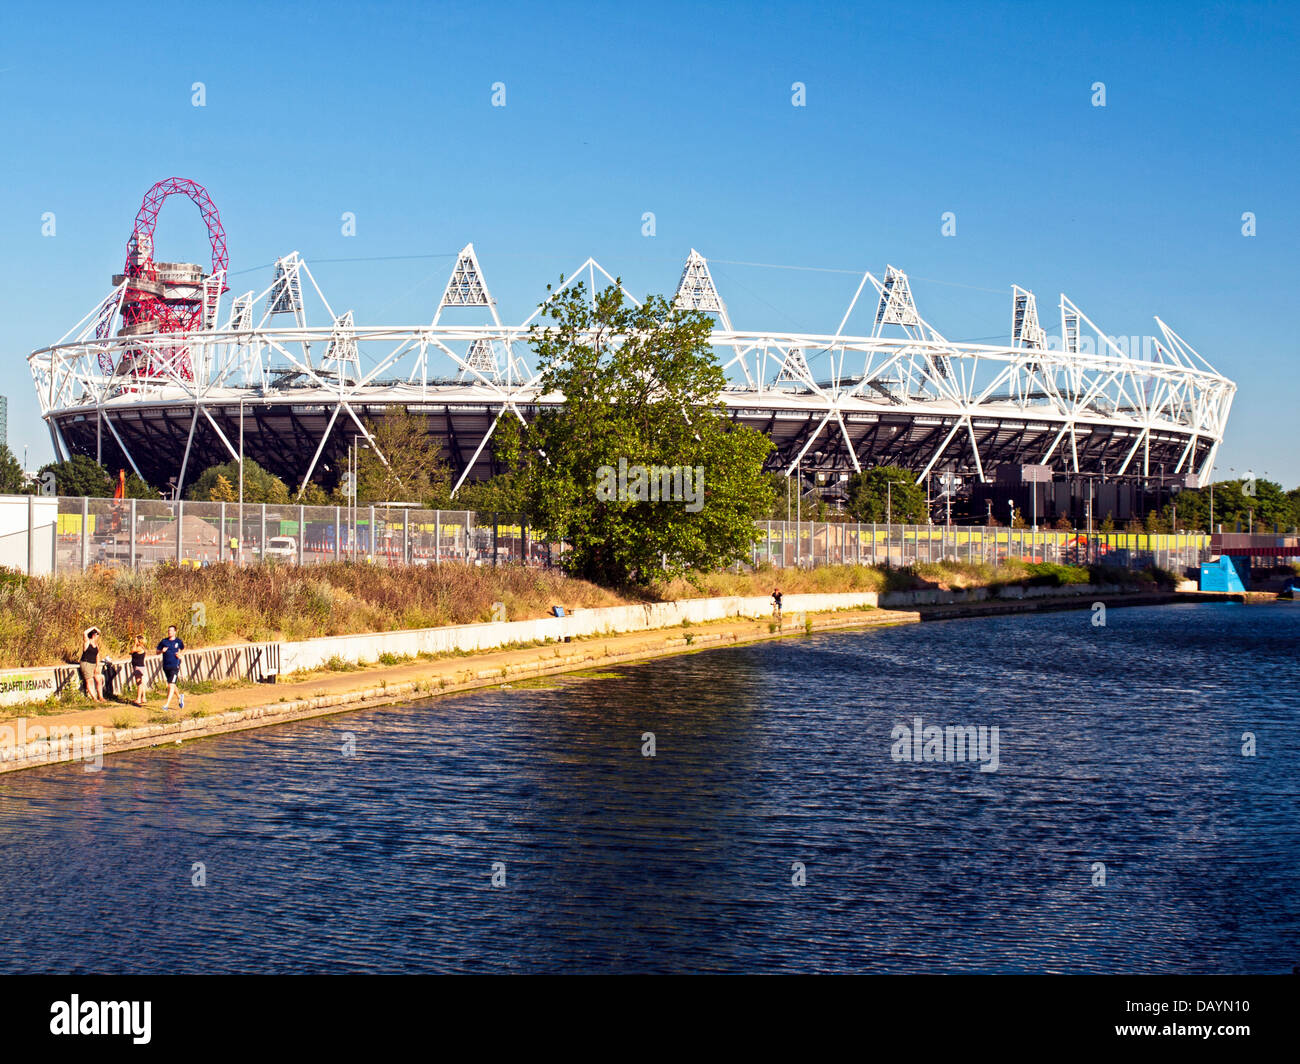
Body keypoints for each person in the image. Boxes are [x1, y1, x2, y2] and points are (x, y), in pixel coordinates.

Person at [157, 625, 185, 711]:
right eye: (169, 631)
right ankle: (179, 697)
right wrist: (162, 651)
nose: (169, 632)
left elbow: (183, 649)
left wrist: (181, 655)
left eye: (171, 631)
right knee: (172, 684)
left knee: (170, 685)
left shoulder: (178, 641)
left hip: (175, 666)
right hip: (166, 666)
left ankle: (166, 705)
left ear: (175, 632)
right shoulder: (164, 641)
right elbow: (157, 652)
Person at [79, 627, 104, 702]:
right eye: (97, 635)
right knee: (89, 681)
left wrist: (97, 666)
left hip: (93, 664)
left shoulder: (96, 644)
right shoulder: (87, 642)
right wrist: (93, 627)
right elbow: (84, 633)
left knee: (99, 679)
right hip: (86, 663)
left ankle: (101, 697)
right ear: (93, 635)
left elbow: (97, 656)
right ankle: (94, 698)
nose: (98, 636)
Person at [129, 635, 148, 707]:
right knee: (141, 682)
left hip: (138, 666)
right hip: (140, 666)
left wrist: (135, 643)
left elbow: (133, 650)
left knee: (139, 682)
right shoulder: (141, 648)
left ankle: (138, 698)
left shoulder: (139, 648)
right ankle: (143, 697)